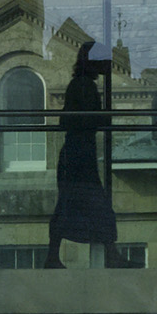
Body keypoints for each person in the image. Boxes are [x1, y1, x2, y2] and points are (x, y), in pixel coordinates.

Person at [47, 39, 116, 258]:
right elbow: (78, 120)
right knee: (95, 204)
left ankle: (53, 256)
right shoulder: (84, 86)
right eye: (105, 60)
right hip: (80, 155)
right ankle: (112, 254)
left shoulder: (79, 84)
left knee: (70, 204)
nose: (109, 64)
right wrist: (103, 117)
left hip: (77, 153)